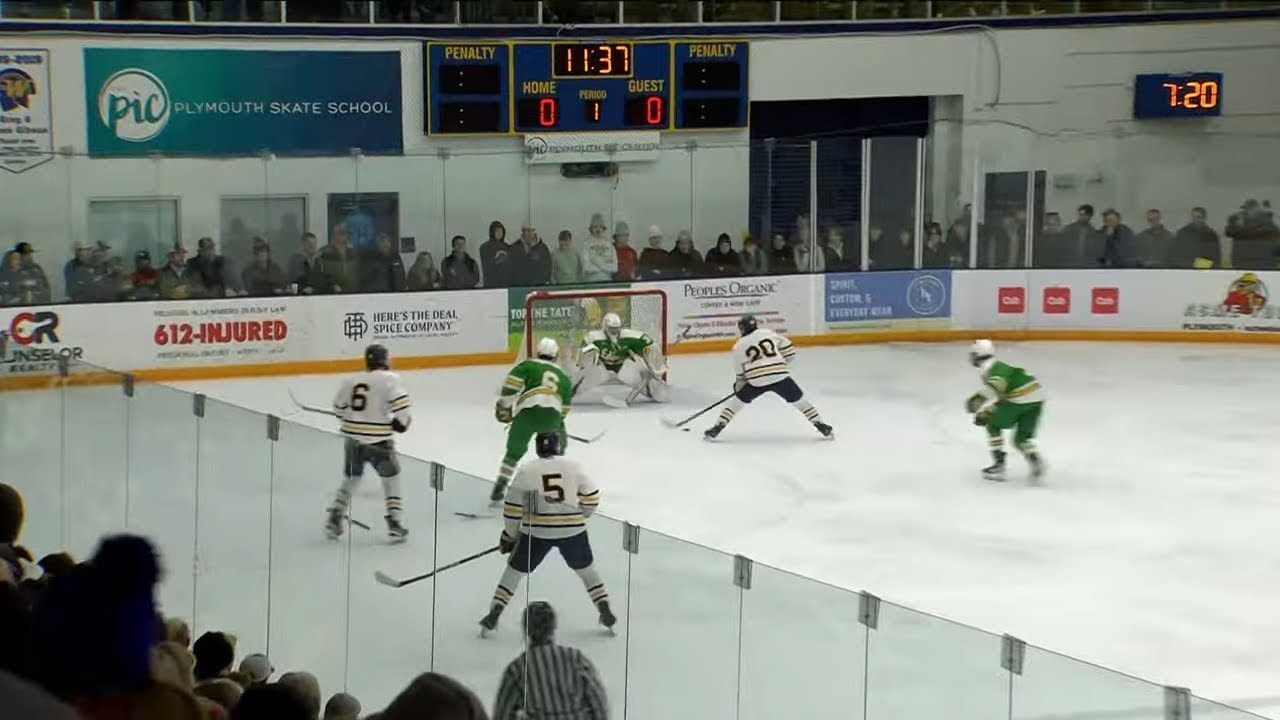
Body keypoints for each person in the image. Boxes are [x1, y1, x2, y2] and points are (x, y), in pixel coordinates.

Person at [480, 436, 614, 635]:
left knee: (514, 572)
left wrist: (510, 536)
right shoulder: (573, 467)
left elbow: (513, 509)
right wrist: (581, 514)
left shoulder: (526, 471)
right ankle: (604, 609)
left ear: (536, 448)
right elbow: (592, 496)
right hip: (573, 529)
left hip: (537, 530)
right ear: (558, 447)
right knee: (587, 571)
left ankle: (495, 613)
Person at [325, 344, 412, 543]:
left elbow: (338, 409)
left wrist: (354, 419)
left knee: (352, 478)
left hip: (353, 440)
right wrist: (401, 424)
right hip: (378, 441)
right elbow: (402, 410)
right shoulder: (391, 379)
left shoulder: (352, 380)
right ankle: (395, 522)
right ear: (385, 360)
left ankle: (335, 516)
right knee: (391, 478)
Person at [705, 315, 832, 440]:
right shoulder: (768, 333)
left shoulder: (739, 345)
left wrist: (739, 386)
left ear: (742, 329)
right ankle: (820, 424)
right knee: (800, 401)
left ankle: (718, 427)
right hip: (780, 376)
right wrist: (778, 364)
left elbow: (739, 372)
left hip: (756, 380)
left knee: (736, 403)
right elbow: (789, 350)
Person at [492, 602, 609, 720]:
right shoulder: (577, 659)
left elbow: (502, 714)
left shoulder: (518, 668)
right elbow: (599, 704)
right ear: (554, 627)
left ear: (526, 630)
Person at [490, 337, 573, 505]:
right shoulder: (563, 378)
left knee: (513, 453)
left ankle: (501, 483)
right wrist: (558, 426)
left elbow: (511, 385)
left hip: (527, 412)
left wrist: (505, 405)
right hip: (552, 416)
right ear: (556, 356)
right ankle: (552, 487)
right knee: (552, 453)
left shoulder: (527, 366)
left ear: (538, 352)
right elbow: (564, 408)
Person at [965, 339, 1045, 483]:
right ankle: (1034, 459)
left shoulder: (992, 367)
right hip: (1037, 399)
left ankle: (999, 465)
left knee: (991, 424)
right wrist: (989, 409)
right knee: (1021, 439)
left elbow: (997, 386)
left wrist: (977, 401)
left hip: (1020, 397)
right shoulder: (999, 366)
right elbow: (1002, 396)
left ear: (978, 355)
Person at [575, 312, 668, 405]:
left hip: (623, 365)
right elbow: (582, 353)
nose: (614, 331)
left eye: (616, 328)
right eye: (611, 328)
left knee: (660, 395)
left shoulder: (630, 336)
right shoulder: (593, 337)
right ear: (605, 327)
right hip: (601, 366)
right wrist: (585, 366)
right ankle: (567, 392)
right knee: (591, 376)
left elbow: (650, 344)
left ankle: (652, 390)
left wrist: (655, 365)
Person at [579, 213, 616, 283]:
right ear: (591, 229)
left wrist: (596, 262)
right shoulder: (586, 245)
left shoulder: (610, 246)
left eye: (600, 226)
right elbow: (586, 268)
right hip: (591, 284)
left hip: (607, 282)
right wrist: (605, 266)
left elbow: (615, 268)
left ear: (603, 228)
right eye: (595, 226)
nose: (598, 229)